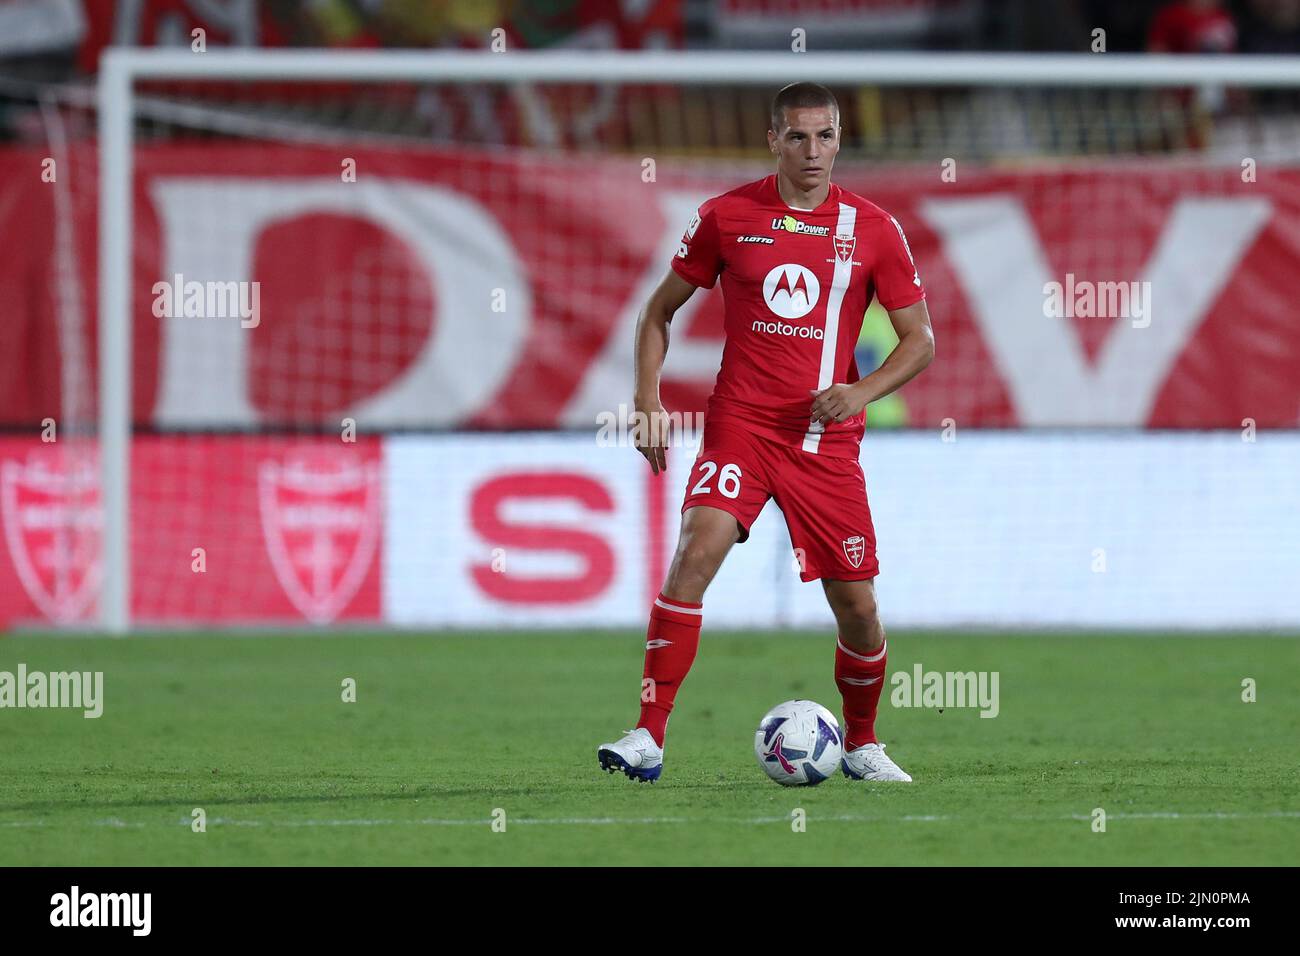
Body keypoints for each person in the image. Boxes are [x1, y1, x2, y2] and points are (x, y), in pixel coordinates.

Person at [597, 82, 935, 784]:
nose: (813, 152)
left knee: (859, 608)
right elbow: (656, 312)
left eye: (825, 136)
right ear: (773, 140)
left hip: (823, 442)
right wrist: (647, 401)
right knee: (694, 557)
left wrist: (859, 393)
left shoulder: (875, 229)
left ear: (841, 139)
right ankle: (647, 735)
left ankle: (863, 743)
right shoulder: (727, 217)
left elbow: (920, 341)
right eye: (798, 137)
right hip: (741, 427)